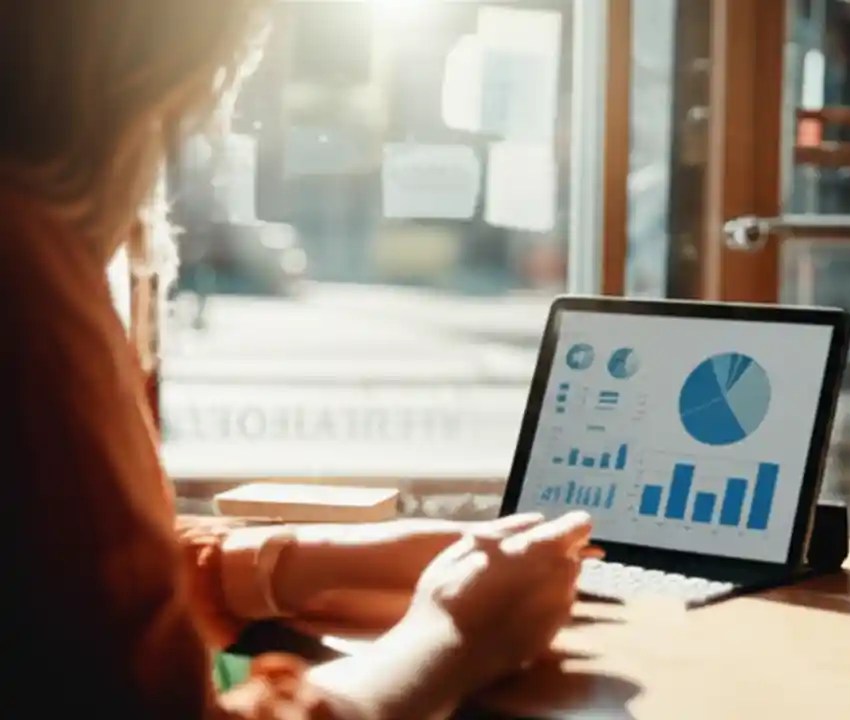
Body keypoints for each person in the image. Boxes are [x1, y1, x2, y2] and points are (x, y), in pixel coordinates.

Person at [0, 2, 596, 717]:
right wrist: (453, 637)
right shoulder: (24, 270)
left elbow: (61, 584)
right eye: (183, 113)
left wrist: (300, 561)